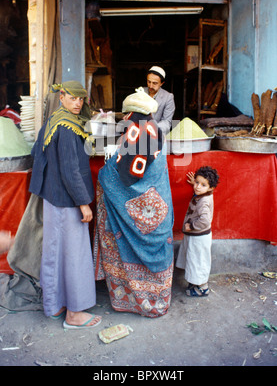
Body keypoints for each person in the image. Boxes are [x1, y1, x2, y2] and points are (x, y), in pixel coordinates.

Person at [94, 87, 174, 317]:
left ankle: (131, 300)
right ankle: (157, 299)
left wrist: (103, 174)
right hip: (159, 208)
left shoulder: (135, 133)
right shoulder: (154, 129)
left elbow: (118, 177)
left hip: (139, 206)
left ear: (130, 114)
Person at [29, 80, 102, 329]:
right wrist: (83, 204)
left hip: (52, 199)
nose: (78, 103)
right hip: (68, 200)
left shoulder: (53, 120)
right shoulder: (69, 128)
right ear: (61, 96)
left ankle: (55, 305)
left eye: (81, 99)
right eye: (72, 98)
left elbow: (36, 153)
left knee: (54, 252)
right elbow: (71, 171)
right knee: (74, 255)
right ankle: (74, 314)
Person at [176, 166, 219, 297]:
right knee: (194, 260)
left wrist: (192, 226)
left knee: (199, 262)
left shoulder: (204, 201)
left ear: (211, 188)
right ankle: (196, 283)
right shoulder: (204, 194)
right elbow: (199, 190)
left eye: (203, 185)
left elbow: (205, 221)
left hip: (199, 238)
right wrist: (194, 184)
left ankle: (203, 288)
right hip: (195, 237)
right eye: (197, 182)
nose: (197, 187)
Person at [144, 66, 175, 135]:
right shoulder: (141, 92)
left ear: (162, 83)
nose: (151, 86)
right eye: (149, 82)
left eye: (154, 83)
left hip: (157, 135)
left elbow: (167, 122)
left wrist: (150, 130)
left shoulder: (168, 97)